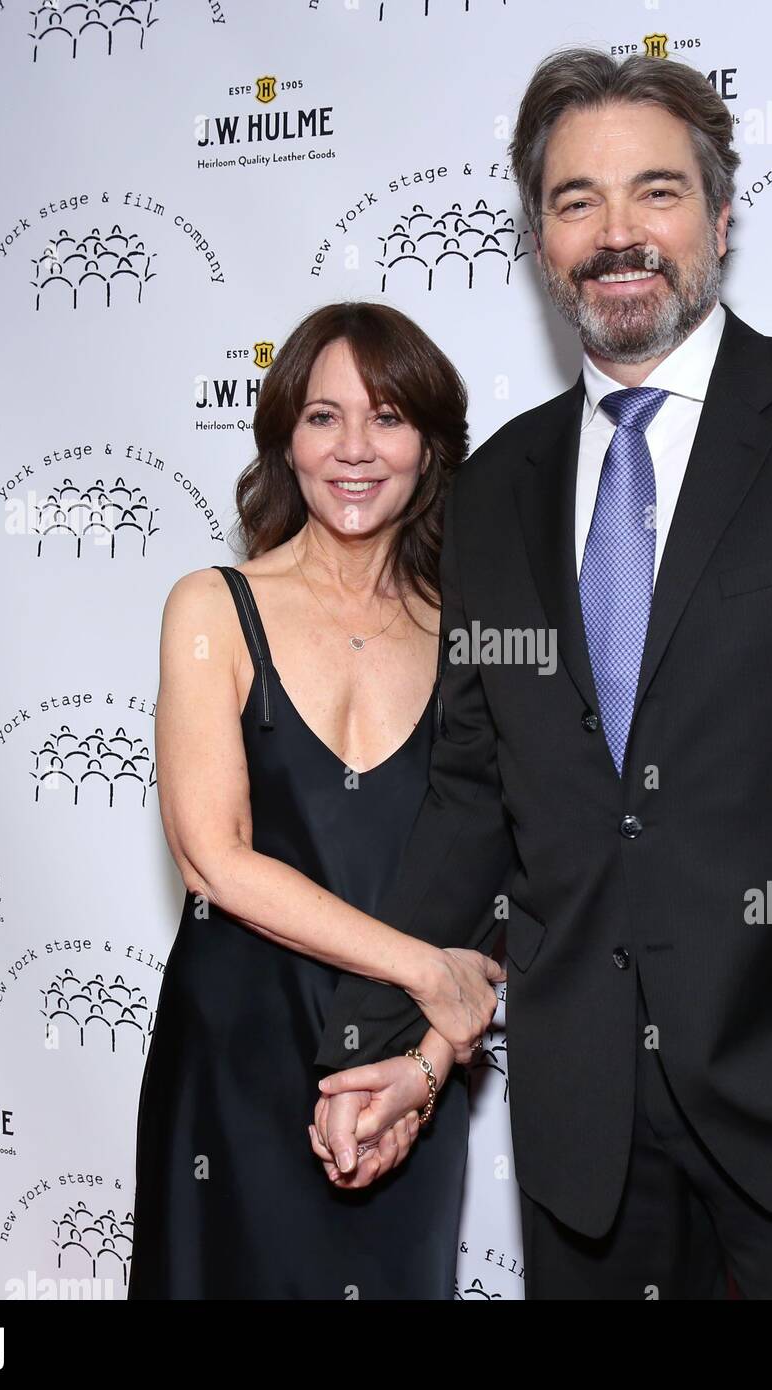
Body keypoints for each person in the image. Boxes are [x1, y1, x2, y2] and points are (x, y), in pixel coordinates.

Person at [308, 49, 772, 1299]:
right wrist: (383, 1041)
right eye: (574, 200)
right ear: (540, 240)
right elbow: (474, 799)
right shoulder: (495, 490)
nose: (616, 235)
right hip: (588, 1138)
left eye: (654, 192)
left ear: (718, 213)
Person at [128, 301, 504, 1300]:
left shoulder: (474, 630)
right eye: (323, 417)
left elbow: (494, 878)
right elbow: (214, 856)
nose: (354, 449)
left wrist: (421, 1072)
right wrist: (429, 974)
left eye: (387, 418)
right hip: (237, 1059)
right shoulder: (212, 606)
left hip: (397, 1063)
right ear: (283, 439)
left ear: (429, 445)